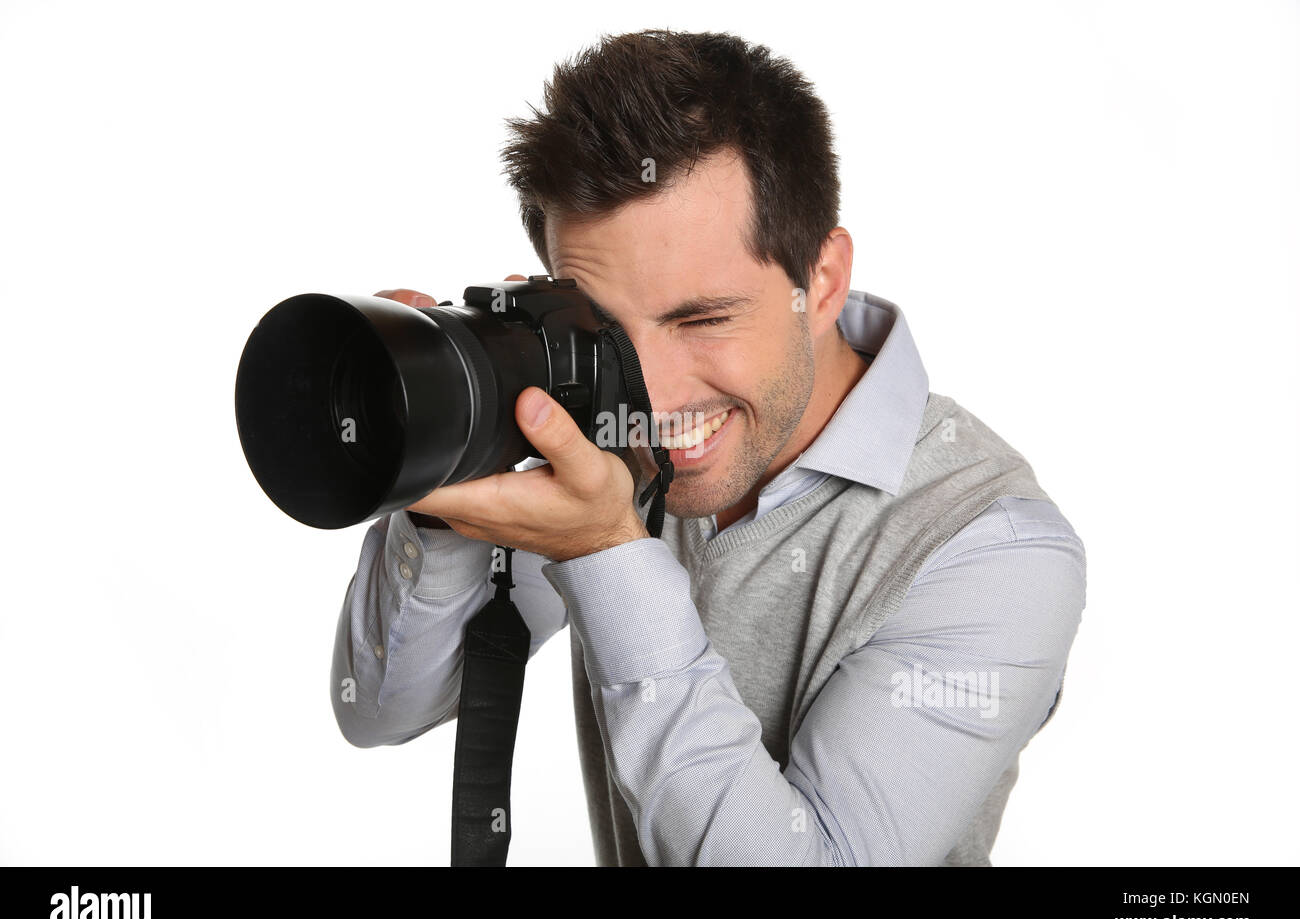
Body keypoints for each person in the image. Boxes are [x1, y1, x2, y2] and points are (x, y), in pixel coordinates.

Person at [330, 28, 1087, 866]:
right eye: (608, 329)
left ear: (821, 281)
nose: (649, 394)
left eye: (702, 319)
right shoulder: (598, 438)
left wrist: (608, 554)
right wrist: (443, 475)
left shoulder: (992, 549)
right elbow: (382, 710)